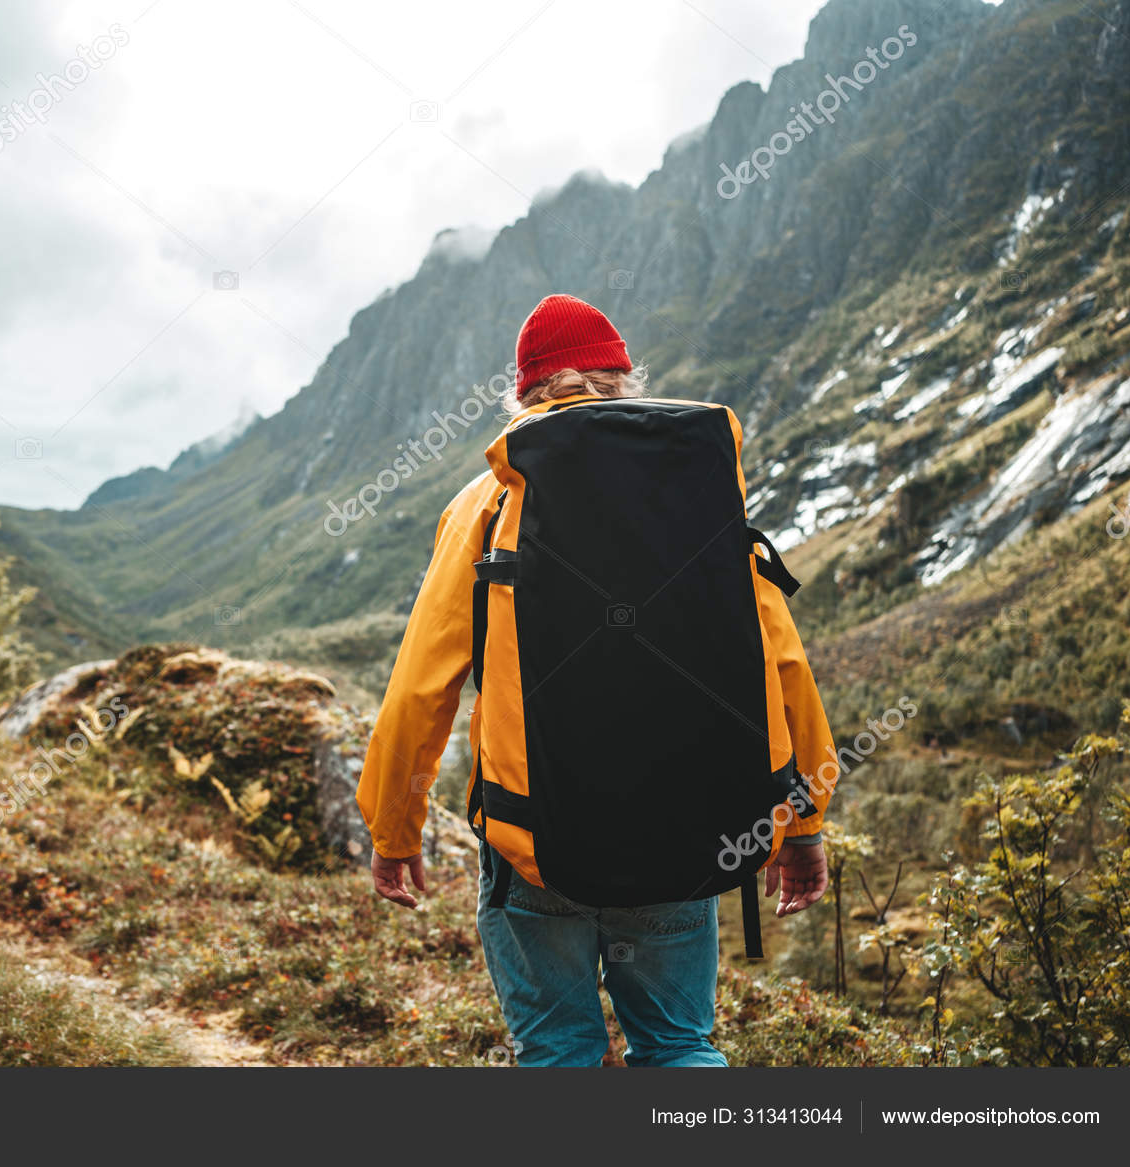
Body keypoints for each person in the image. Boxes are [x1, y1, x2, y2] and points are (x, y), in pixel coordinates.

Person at [356, 294, 834, 1067]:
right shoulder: (700, 498)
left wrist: (393, 828)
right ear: (622, 379)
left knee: (558, 1052)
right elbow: (782, 666)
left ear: (525, 394)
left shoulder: (487, 504)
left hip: (533, 839)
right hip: (687, 829)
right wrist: (803, 823)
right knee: (679, 1045)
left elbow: (421, 686)